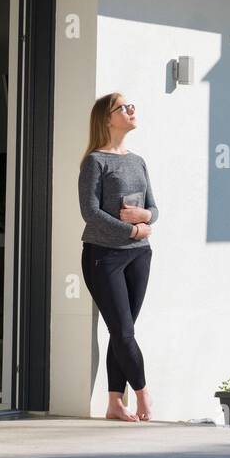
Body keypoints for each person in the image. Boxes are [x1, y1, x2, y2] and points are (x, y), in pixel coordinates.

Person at [78, 93, 158, 421]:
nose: (131, 110)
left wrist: (145, 217)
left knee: (119, 331)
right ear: (107, 119)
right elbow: (90, 212)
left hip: (139, 256)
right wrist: (132, 231)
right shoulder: (95, 162)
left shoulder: (137, 160)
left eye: (132, 105)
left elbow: (153, 208)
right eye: (123, 107)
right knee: (125, 332)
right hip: (104, 257)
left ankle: (114, 402)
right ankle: (143, 395)